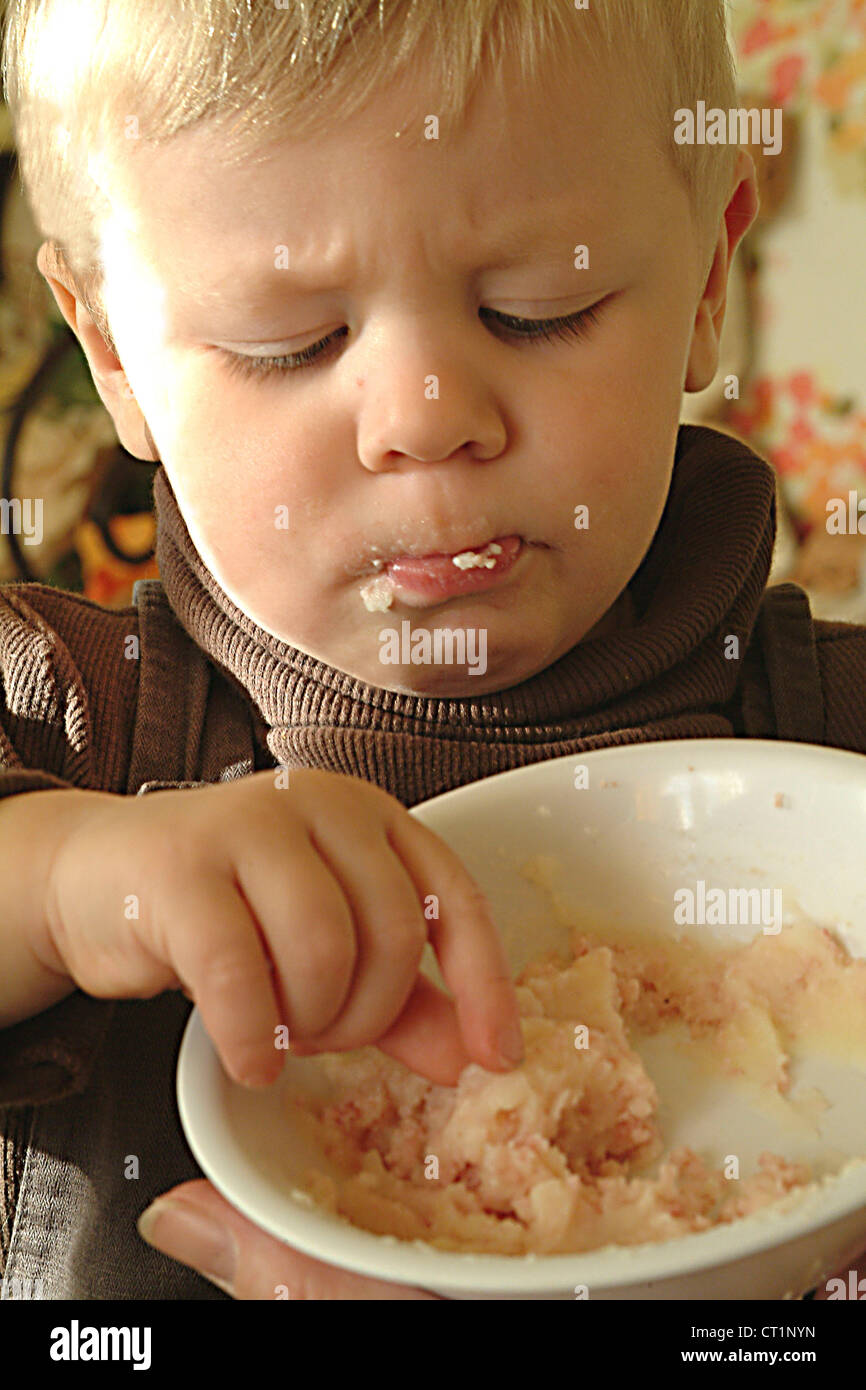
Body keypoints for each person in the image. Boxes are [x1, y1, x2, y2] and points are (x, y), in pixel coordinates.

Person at [1, 0, 864, 1301]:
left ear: (704, 284)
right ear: (112, 350)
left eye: (537, 307)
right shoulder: (57, 722)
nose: (422, 417)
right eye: (285, 342)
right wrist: (64, 882)